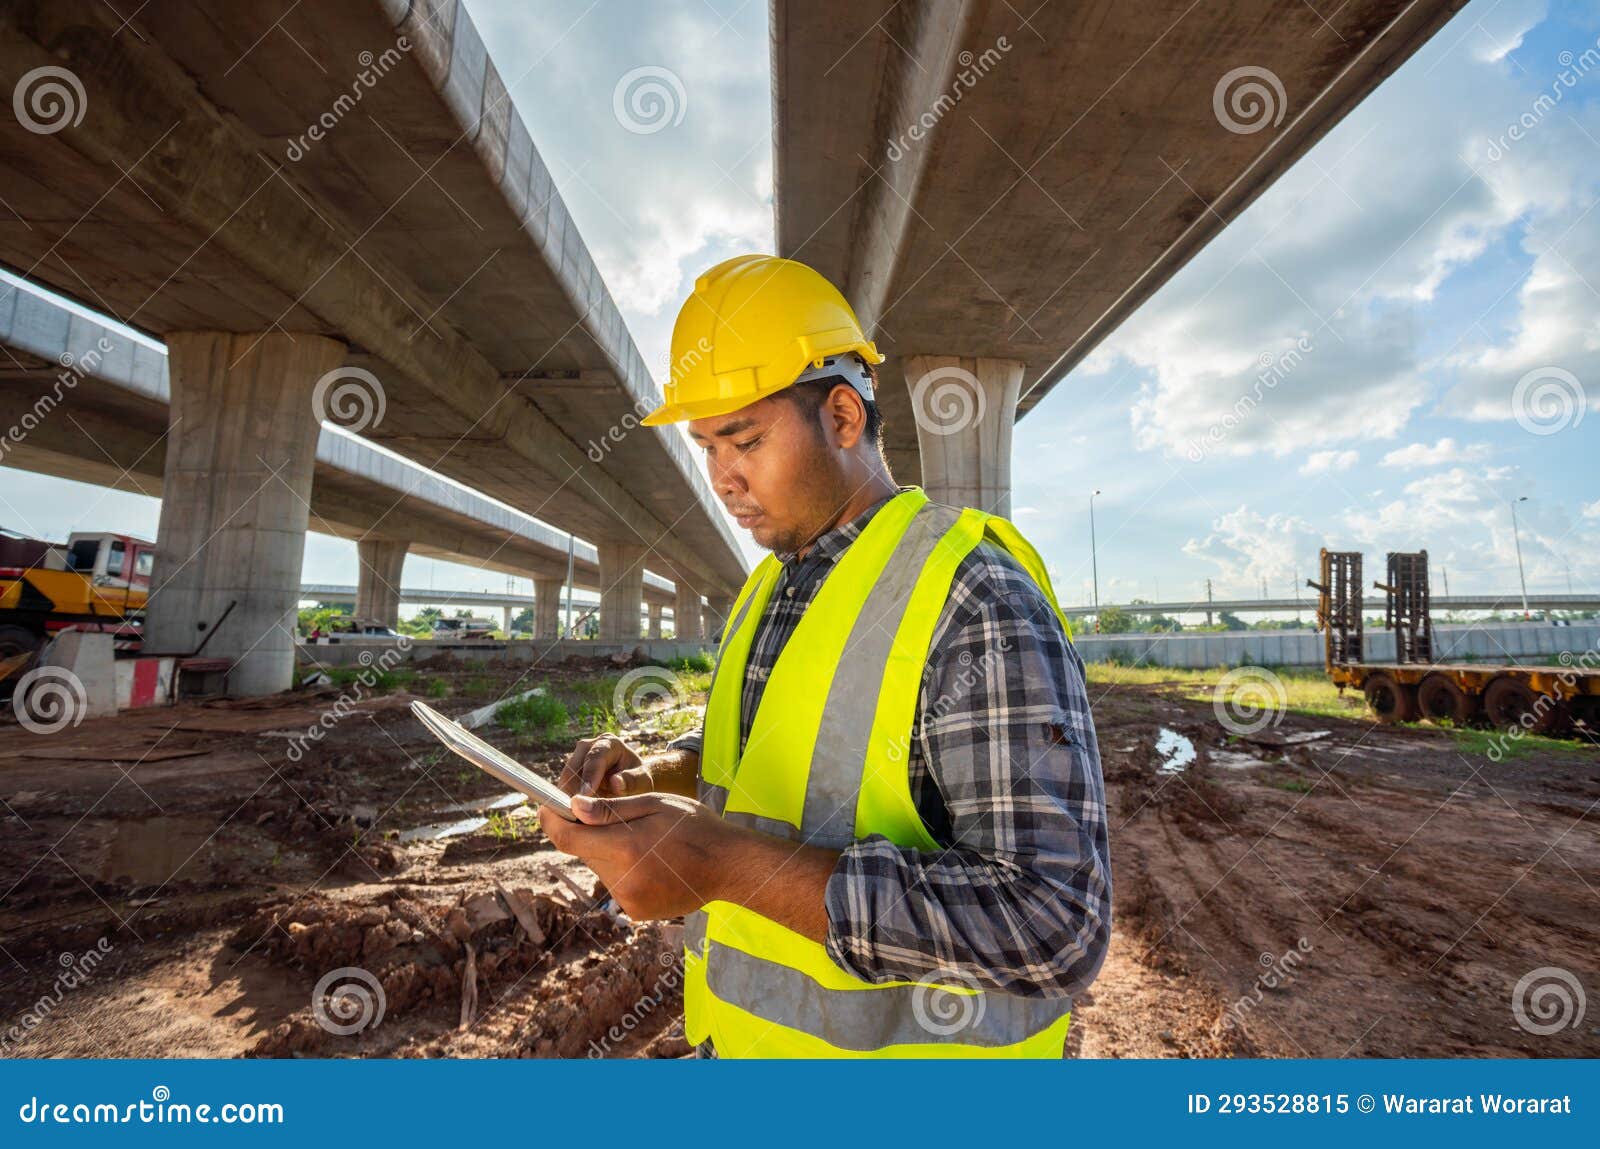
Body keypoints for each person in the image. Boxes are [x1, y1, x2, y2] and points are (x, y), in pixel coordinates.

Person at [540, 254, 1111, 1058]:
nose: (723, 479)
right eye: (706, 446)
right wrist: (661, 775)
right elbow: (811, 756)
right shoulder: (769, 585)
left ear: (843, 418)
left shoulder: (974, 597)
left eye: (743, 439)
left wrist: (724, 862)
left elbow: (1053, 922)